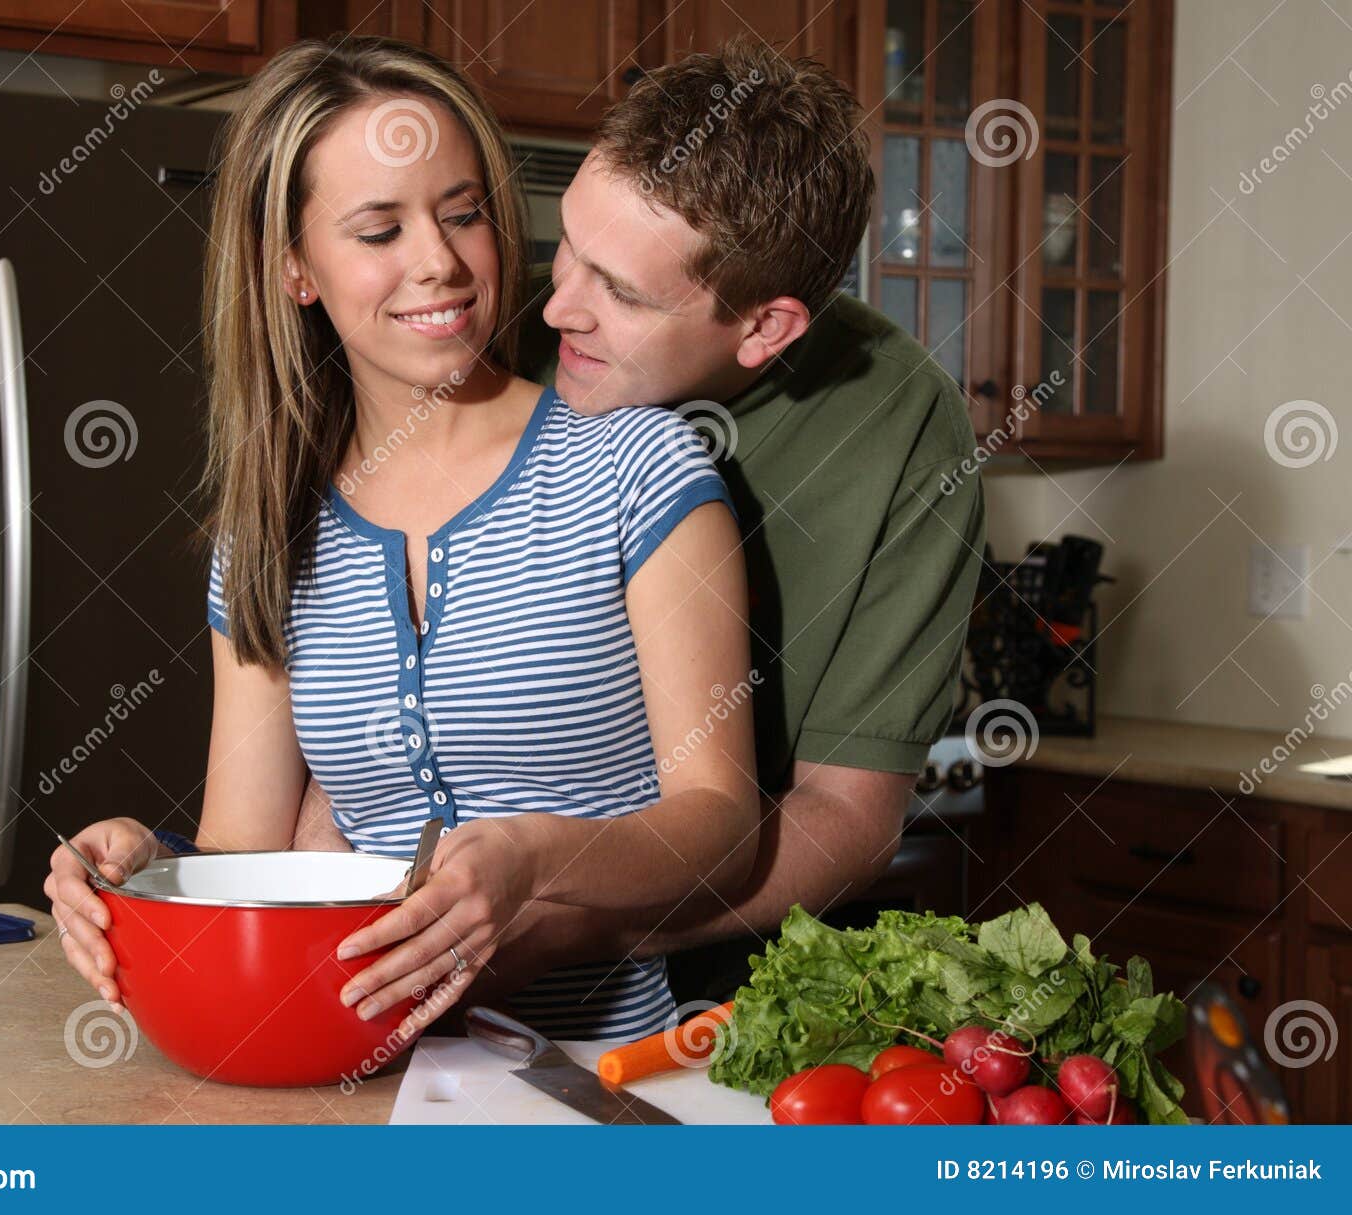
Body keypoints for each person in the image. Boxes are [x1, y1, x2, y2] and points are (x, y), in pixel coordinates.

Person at [43, 34, 760, 1043]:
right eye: (379, 230)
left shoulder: (637, 468)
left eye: (462, 213)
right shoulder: (266, 535)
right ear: (293, 267)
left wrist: (532, 858)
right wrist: (139, 871)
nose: (441, 261)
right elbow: (247, 861)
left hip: (606, 1073)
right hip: (345, 1071)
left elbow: (721, 821)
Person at [297, 36, 988, 1009]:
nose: (554, 307)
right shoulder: (482, 341)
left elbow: (847, 809)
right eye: (564, 247)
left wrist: (576, 929)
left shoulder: (899, 423)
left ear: (763, 329)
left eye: (618, 292)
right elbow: (391, 666)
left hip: (719, 999)